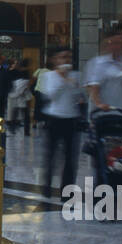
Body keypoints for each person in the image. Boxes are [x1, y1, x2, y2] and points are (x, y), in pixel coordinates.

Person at [39, 49, 84, 198]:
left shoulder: (76, 76)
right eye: (63, 57)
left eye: (69, 57)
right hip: (54, 118)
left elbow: (80, 96)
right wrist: (63, 79)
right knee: (50, 156)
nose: (66, 60)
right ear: (55, 60)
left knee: (70, 158)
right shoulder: (49, 76)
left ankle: (67, 190)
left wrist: (74, 86)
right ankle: (47, 187)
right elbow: (51, 95)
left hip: (71, 119)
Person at [6, 58, 31, 132]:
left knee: (16, 113)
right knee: (19, 113)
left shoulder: (19, 72)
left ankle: (15, 128)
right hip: (18, 94)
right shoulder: (18, 72)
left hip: (17, 95)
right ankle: (24, 130)